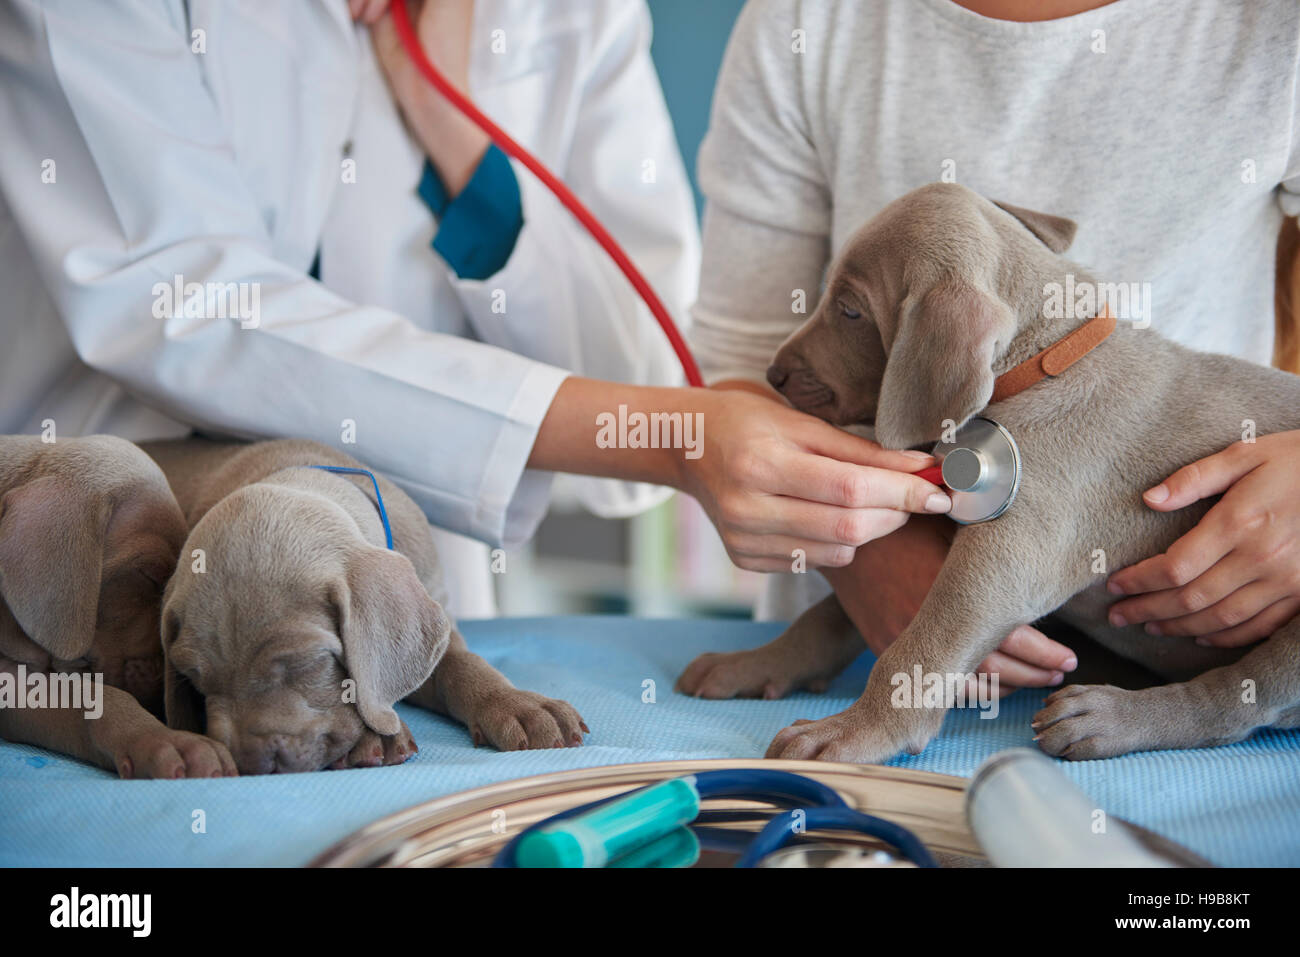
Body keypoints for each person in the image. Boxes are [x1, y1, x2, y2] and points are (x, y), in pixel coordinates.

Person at [0, 0, 949, 617]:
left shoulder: (566, 17)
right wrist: (670, 436)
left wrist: (462, 151)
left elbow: (645, 399)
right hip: (107, 577)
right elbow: (187, 303)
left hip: (403, 625)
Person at [691, 0, 1300, 693]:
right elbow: (744, 367)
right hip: (877, 615)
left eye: (852, 308)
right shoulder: (808, 17)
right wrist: (870, 551)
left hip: (1202, 677)